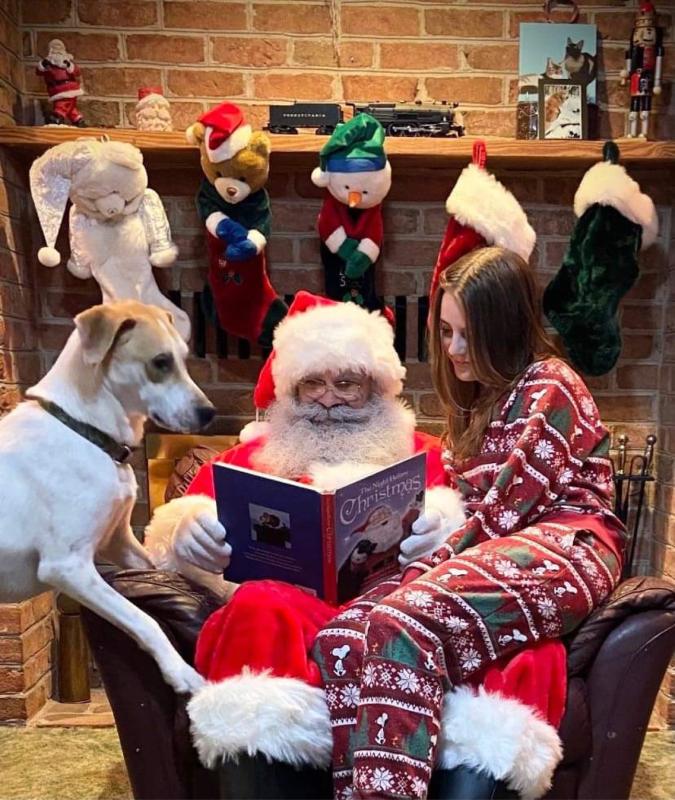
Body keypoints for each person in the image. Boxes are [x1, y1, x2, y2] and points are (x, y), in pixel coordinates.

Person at [145, 288, 573, 800]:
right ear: (288, 389)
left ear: (376, 388)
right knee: (258, 605)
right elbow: (169, 541)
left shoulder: (425, 457)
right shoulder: (246, 460)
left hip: (399, 623)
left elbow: (477, 538)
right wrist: (186, 532)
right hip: (290, 619)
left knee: (506, 645)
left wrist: (441, 530)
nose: (328, 399)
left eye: (346, 384)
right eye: (312, 384)